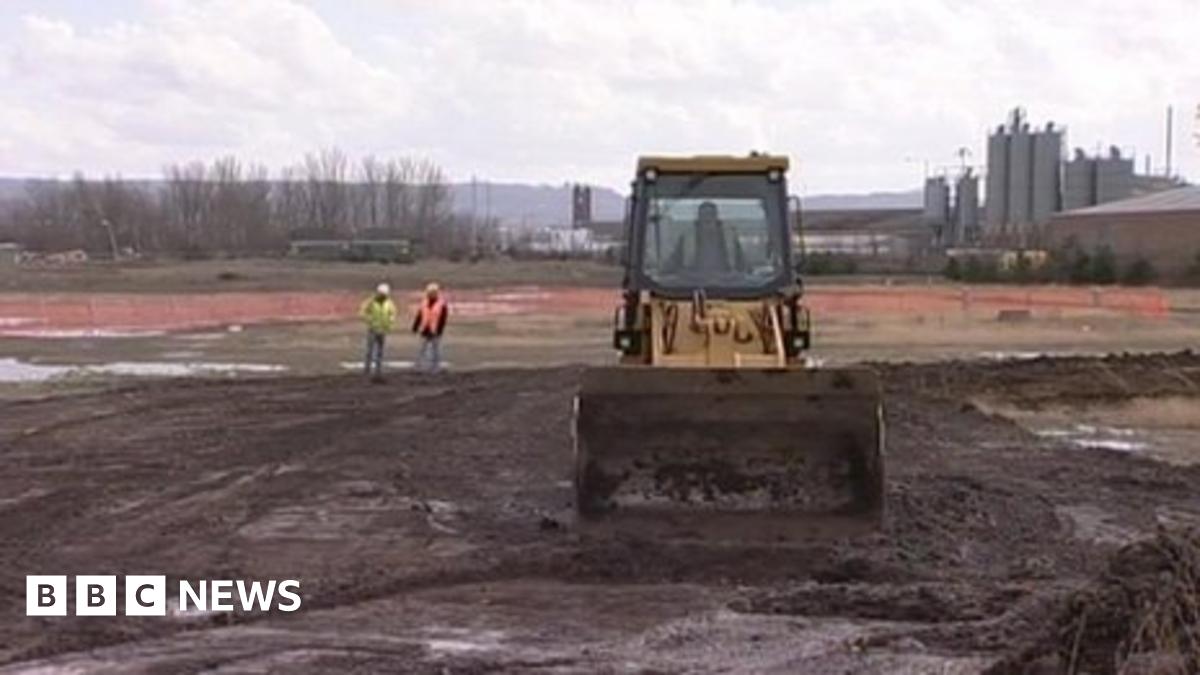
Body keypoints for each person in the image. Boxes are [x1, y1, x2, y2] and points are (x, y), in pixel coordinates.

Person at [663, 201, 746, 274]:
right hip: (693, 283)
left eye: (711, 214)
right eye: (704, 215)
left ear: (716, 217)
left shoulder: (729, 237)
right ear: (699, 218)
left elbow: (741, 263)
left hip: (726, 283)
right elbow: (674, 260)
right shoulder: (687, 237)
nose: (708, 218)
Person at [359, 282, 396, 382]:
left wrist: (389, 324)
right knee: (370, 351)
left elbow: (392, 314)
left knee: (380, 352)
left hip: (382, 331)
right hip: (373, 330)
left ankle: (378, 370)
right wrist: (370, 321)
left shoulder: (389, 303)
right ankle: (367, 369)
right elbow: (363, 312)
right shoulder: (371, 301)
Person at [412, 282, 449, 371]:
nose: (431, 294)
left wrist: (440, 330)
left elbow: (443, 319)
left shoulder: (442, 304)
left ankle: (435, 368)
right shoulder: (424, 302)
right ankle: (419, 367)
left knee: (435, 351)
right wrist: (415, 326)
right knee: (421, 349)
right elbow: (420, 315)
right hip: (425, 329)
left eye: (433, 292)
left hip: (435, 330)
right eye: (429, 292)